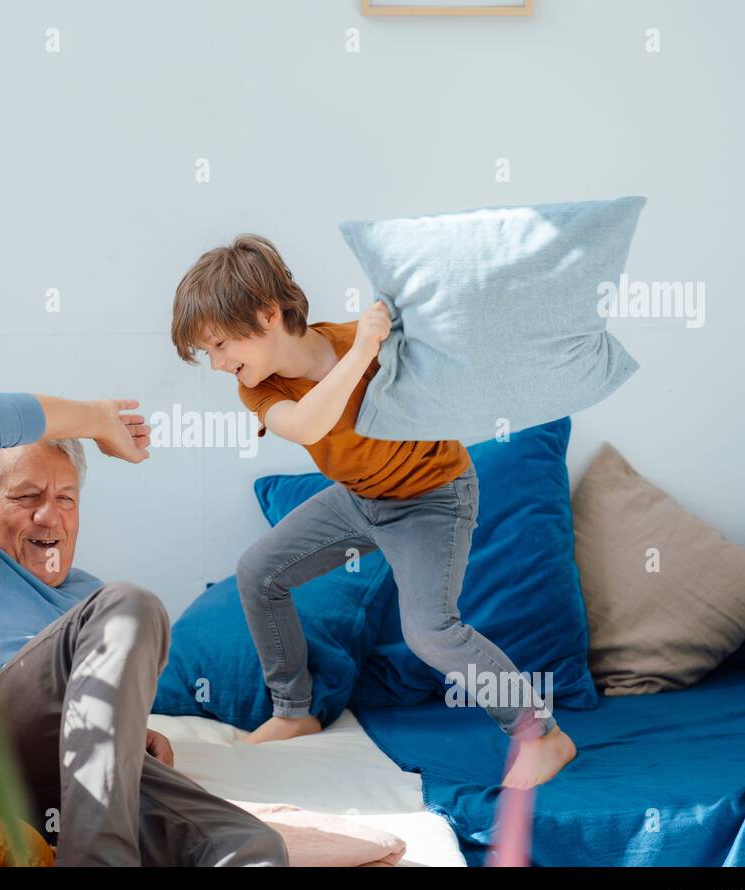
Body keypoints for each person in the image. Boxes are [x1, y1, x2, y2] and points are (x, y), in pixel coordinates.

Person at [169, 234, 577, 789]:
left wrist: (403, 330)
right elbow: (307, 423)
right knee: (259, 571)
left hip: (433, 497)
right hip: (361, 497)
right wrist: (362, 351)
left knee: (431, 632)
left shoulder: (368, 345)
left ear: (268, 315)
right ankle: (294, 711)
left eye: (219, 345)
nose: (217, 364)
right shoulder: (262, 387)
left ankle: (542, 734)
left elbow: (453, 365)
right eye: (208, 353)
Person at [0, 391, 288, 864]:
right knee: (130, 605)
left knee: (253, 847)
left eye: (65, 498)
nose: (49, 514)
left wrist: (133, 729)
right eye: (26, 496)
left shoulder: (87, 596)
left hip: (73, 778)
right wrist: (98, 421)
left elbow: (105, 698)